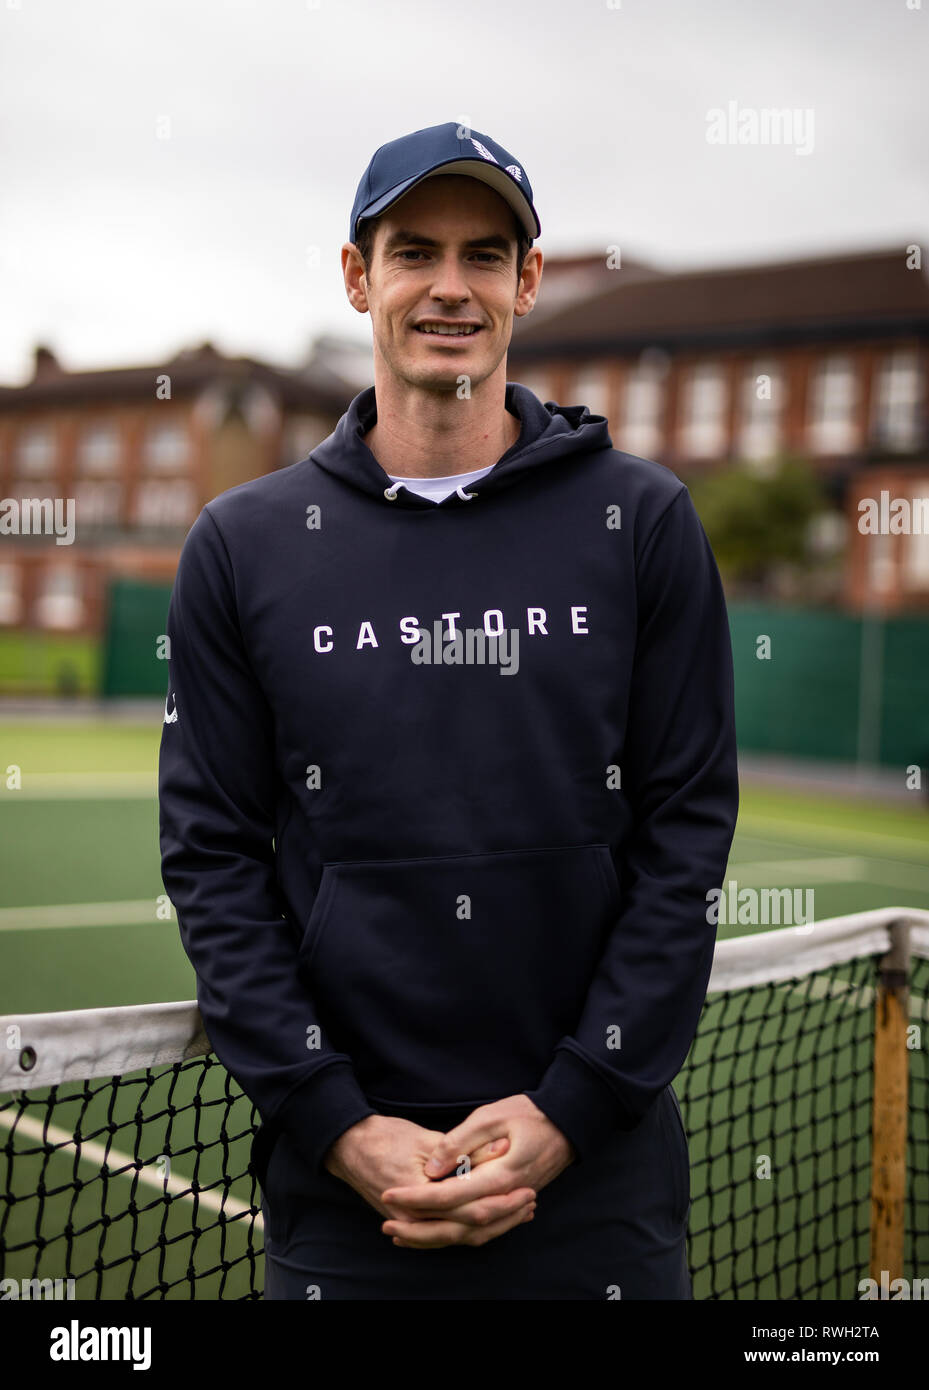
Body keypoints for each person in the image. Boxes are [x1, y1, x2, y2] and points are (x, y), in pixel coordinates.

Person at [158, 121, 740, 1301]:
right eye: (412, 249)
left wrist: (571, 1107)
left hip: (598, 1188)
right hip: (345, 1201)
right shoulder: (241, 545)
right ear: (356, 276)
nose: (447, 285)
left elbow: (685, 841)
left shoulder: (643, 521)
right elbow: (212, 858)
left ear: (527, 281)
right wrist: (337, 1123)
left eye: (485, 254)